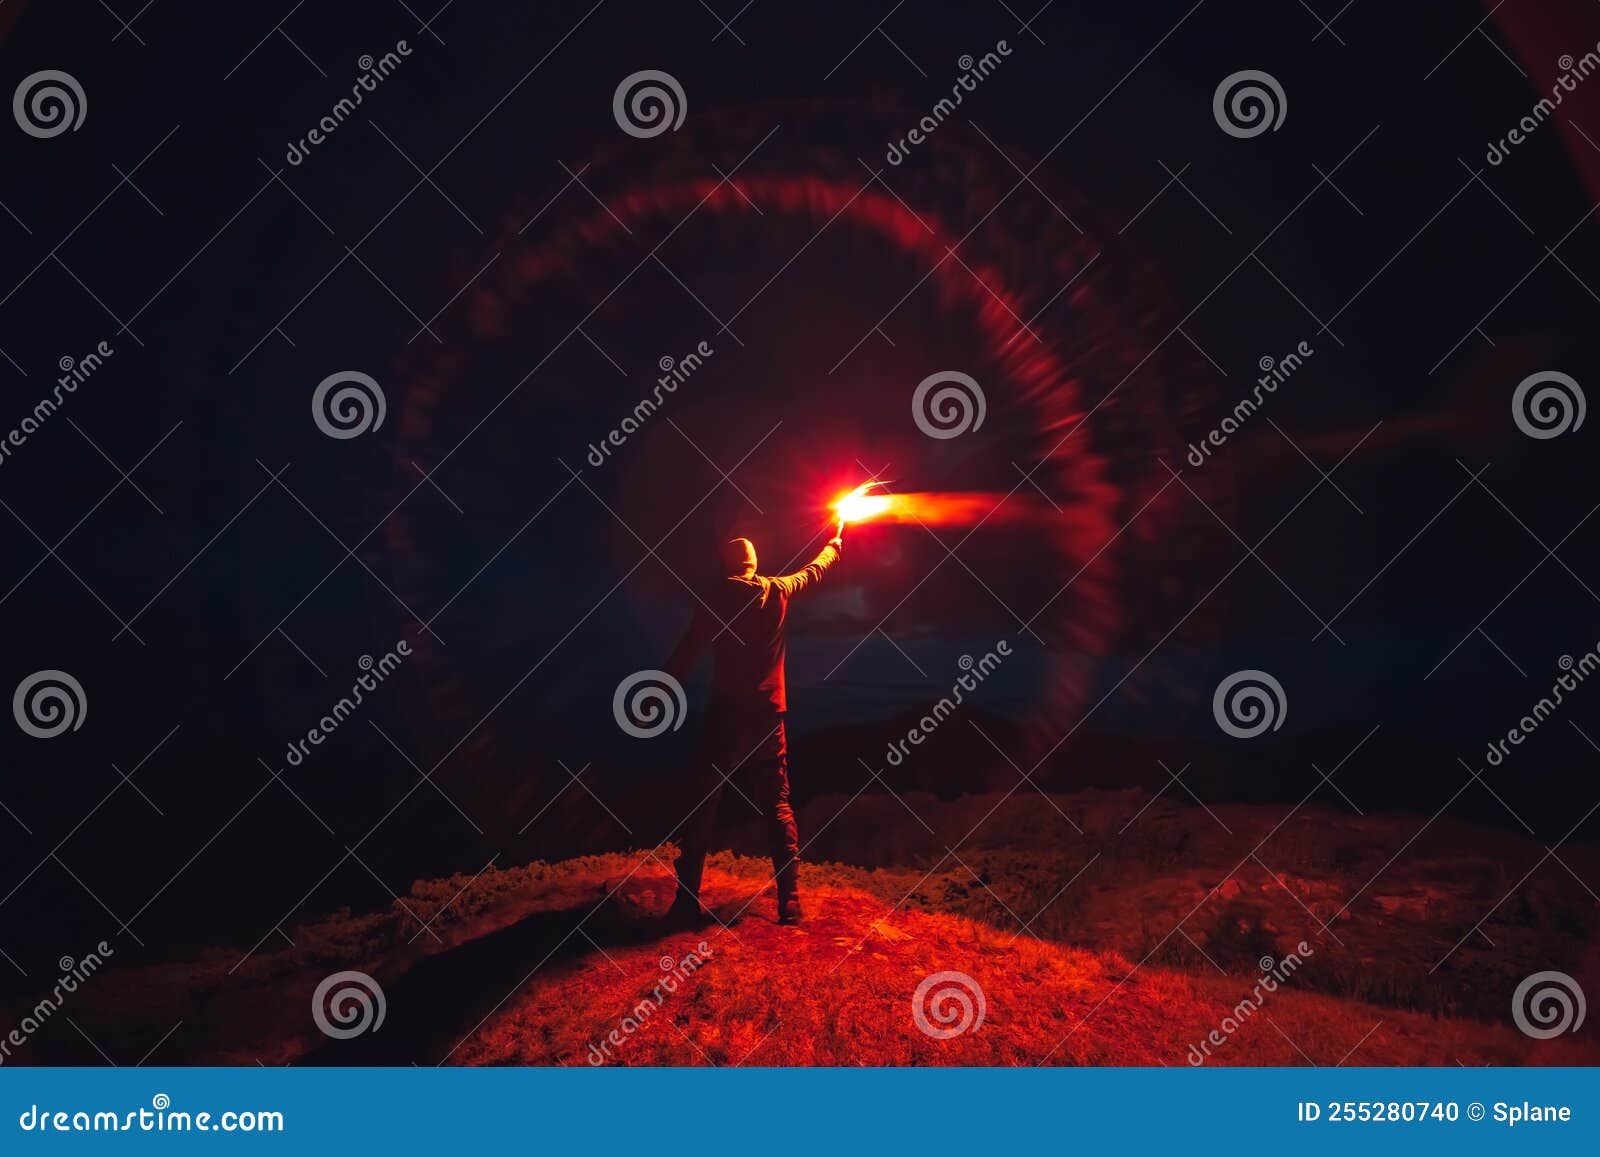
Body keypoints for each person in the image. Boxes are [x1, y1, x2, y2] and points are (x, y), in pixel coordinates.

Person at [661, 520, 845, 927]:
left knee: (703, 803)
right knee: (777, 804)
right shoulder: (778, 589)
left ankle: (687, 900)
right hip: (768, 717)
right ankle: (790, 902)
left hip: (726, 716)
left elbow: (688, 651)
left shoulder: (714, 598)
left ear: (728, 564)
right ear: (753, 562)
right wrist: (834, 542)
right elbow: (815, 569)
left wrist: (661, 687)